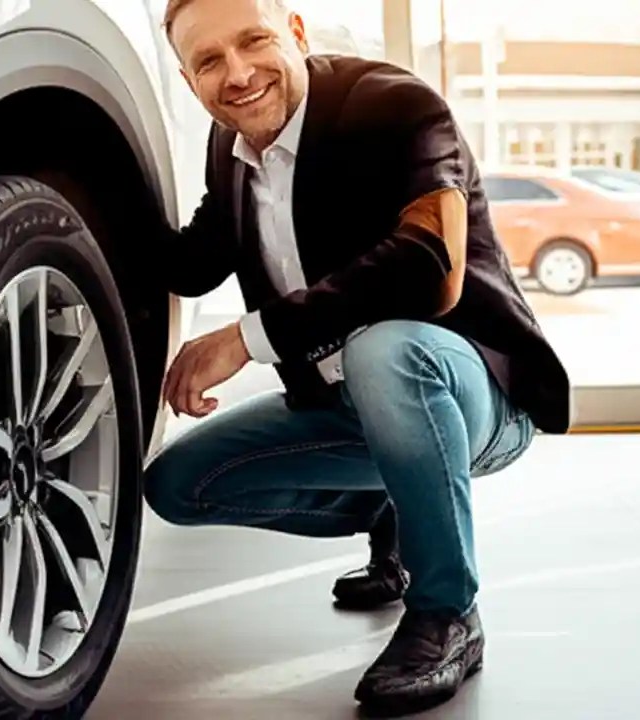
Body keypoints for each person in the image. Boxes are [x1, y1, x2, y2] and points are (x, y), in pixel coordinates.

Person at [143, 0, 572, 714]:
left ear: (298, 35)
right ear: (190, 83)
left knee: (385, 348)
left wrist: (244, 340)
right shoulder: (233, 148)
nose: (238, 73)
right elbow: (192, 263)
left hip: (475, 397)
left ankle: (447, 615)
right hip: (341, 407)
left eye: (254, 41)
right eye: (210, 61)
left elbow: (430, 264)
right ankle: (398, 510)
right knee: (178, 487)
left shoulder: (396, 107)